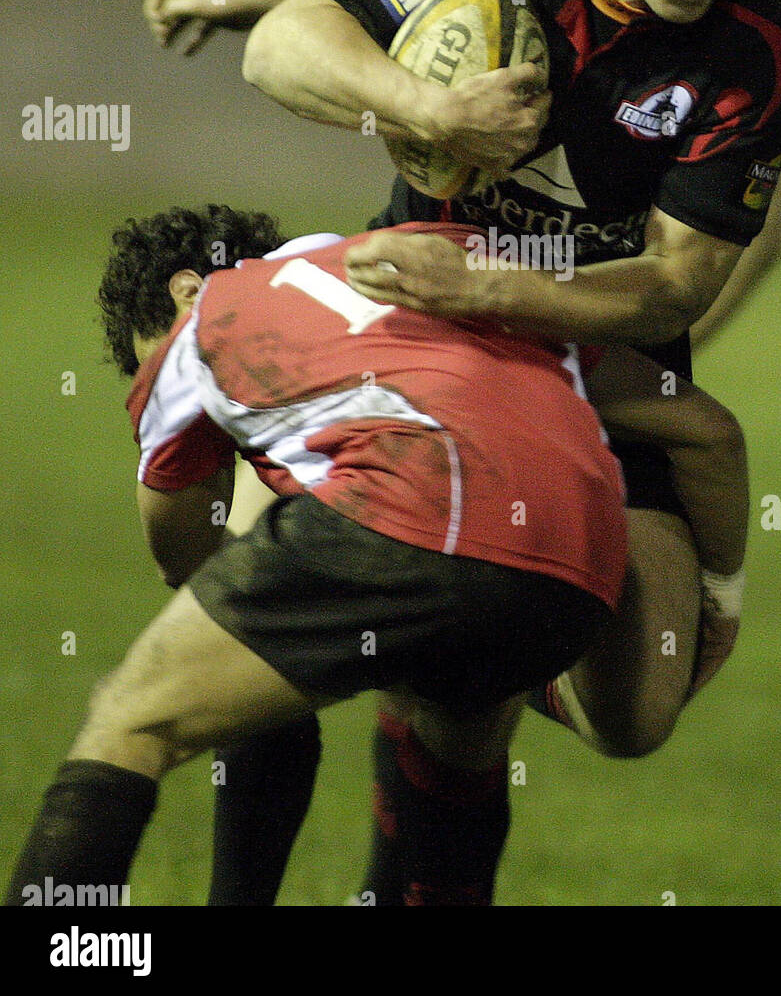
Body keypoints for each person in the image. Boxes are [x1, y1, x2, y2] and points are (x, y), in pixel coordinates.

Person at [242, 0, 781, 900]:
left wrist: (501, 299)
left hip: (595, 351)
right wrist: (424, 107)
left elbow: (671, 288)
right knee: (259, 609)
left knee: (636, 714)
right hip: (417, 318)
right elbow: (280, 45)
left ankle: (496, 646)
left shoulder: (758, 48)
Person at [5, 204, 633, 907]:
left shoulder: (210, 317)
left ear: (185, 290)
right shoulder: (418, 260)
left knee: (131, 716)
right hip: (586, 557)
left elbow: (182, 558)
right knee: (455, 751)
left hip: (421, 507)